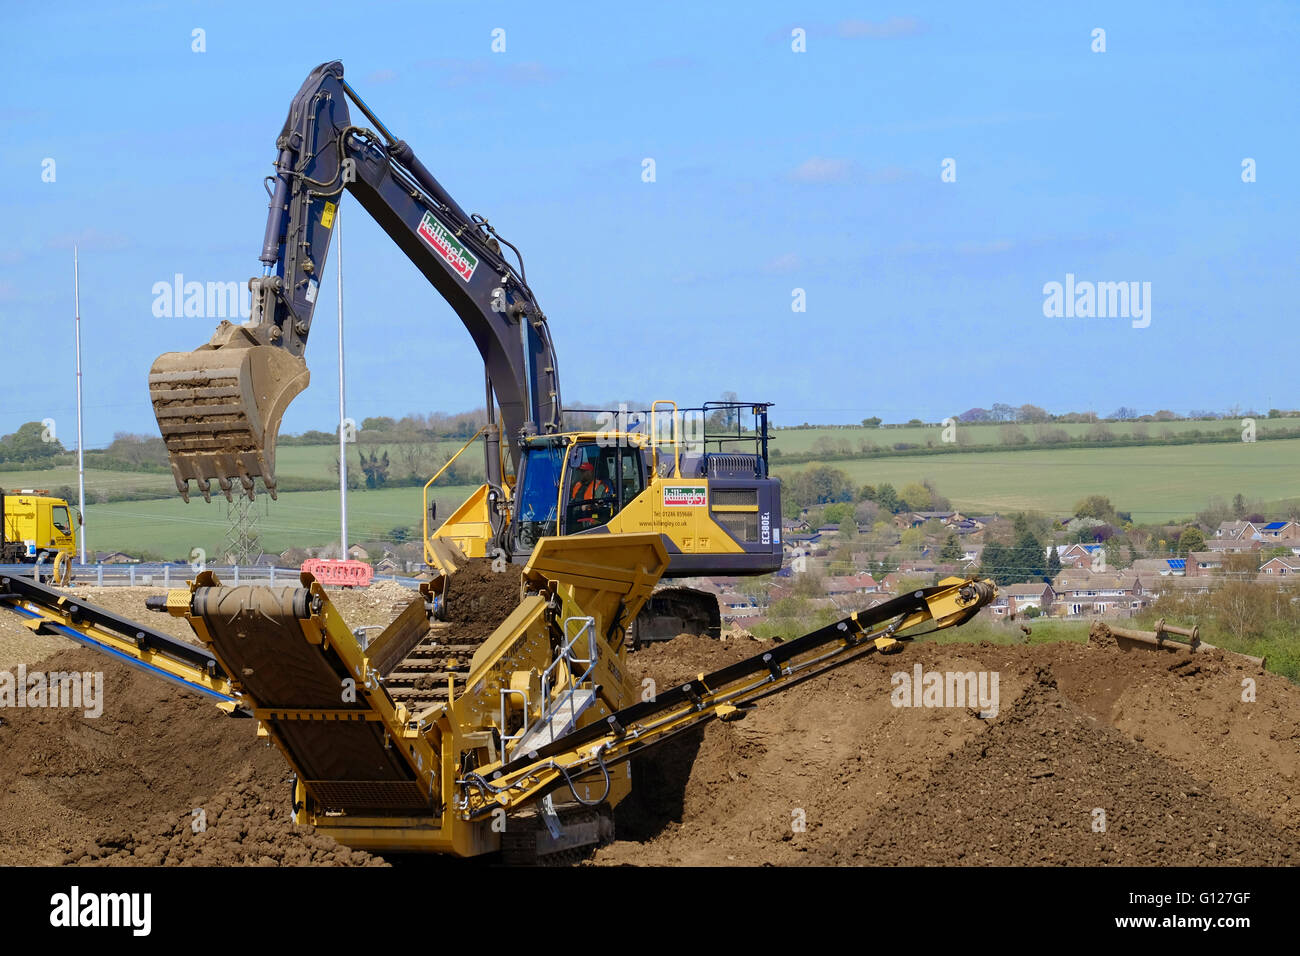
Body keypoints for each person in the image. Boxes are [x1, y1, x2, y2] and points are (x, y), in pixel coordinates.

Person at [570, 461, 612, 526]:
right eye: (580, 472)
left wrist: (587, 506)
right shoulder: (577, 485)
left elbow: (600, 504)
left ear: (590, 472)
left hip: (591, 519)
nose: (581, 474)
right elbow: (572, 501)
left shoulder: (599, 486)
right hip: (576, 516)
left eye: (583, 472)